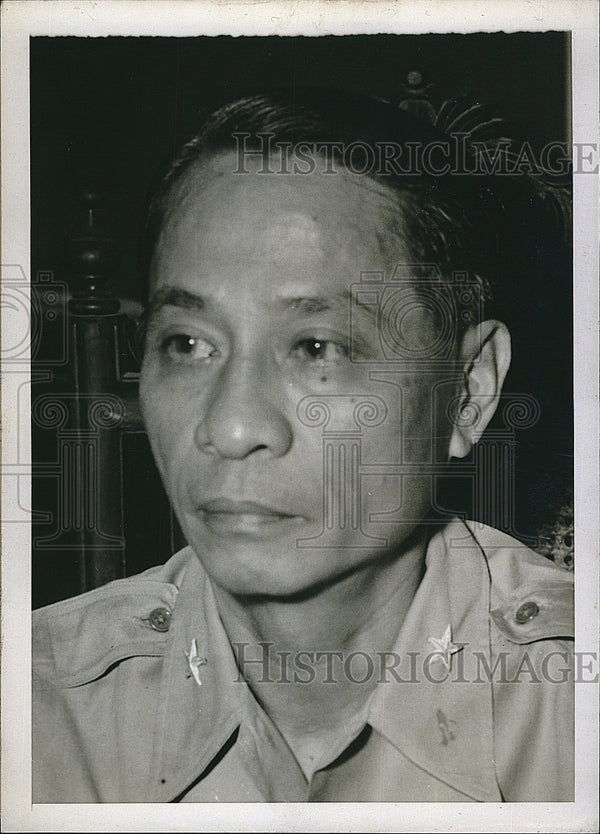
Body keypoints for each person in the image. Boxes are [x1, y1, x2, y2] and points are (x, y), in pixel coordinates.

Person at [33, 89, 573, 802]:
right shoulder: (42, 716)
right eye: (188, 344)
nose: (228, 428)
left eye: (317, 346)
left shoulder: (567, 714)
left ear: (468, 392)